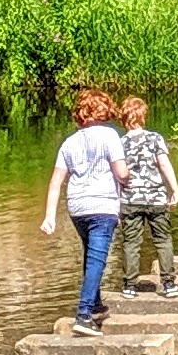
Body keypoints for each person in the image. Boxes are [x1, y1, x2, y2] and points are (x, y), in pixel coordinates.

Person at [40, 88, 129, 330]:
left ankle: (97, 305)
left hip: (78, 207)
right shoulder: (110, 136)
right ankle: (84, 314)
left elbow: (56, 181)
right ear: (106, 110)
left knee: (91, 255)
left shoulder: (69, 142)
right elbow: (121, 173)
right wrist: (129, 178)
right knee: (97, 259)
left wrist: (49, 217)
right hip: (102, 204)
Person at [116, 95, 178, 297]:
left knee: (131, 243)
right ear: (143, 116)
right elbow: (163, 164)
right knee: (163, 239)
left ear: (124, 119)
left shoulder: (120, 143)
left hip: (130, 200)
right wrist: (175, 188)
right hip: (156, 198)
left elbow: (118, 174)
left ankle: (129, 285)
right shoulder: (155, 138)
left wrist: (116, 200)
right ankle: (169, 283)